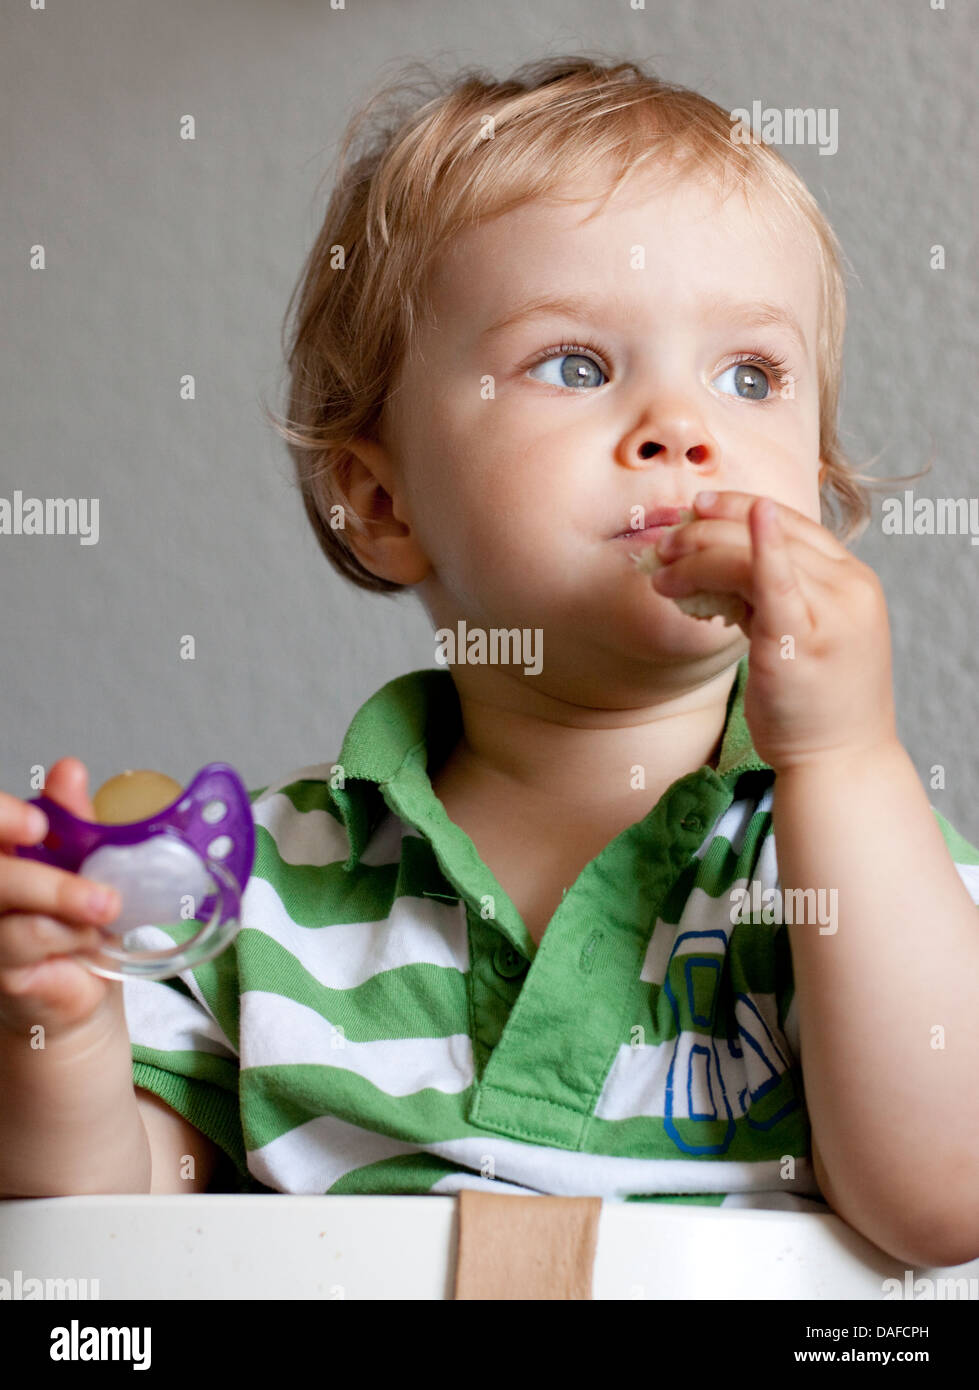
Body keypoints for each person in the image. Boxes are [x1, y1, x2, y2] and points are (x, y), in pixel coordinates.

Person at [2, 56, 977, 1272]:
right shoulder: (266, 891)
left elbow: (943, 1200)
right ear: (381, 498)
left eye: (750, 376)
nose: (685, 428)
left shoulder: (863, 859)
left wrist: (844, 753)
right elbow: (116, 1225)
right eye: (575, 364)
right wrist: (56, 1026)